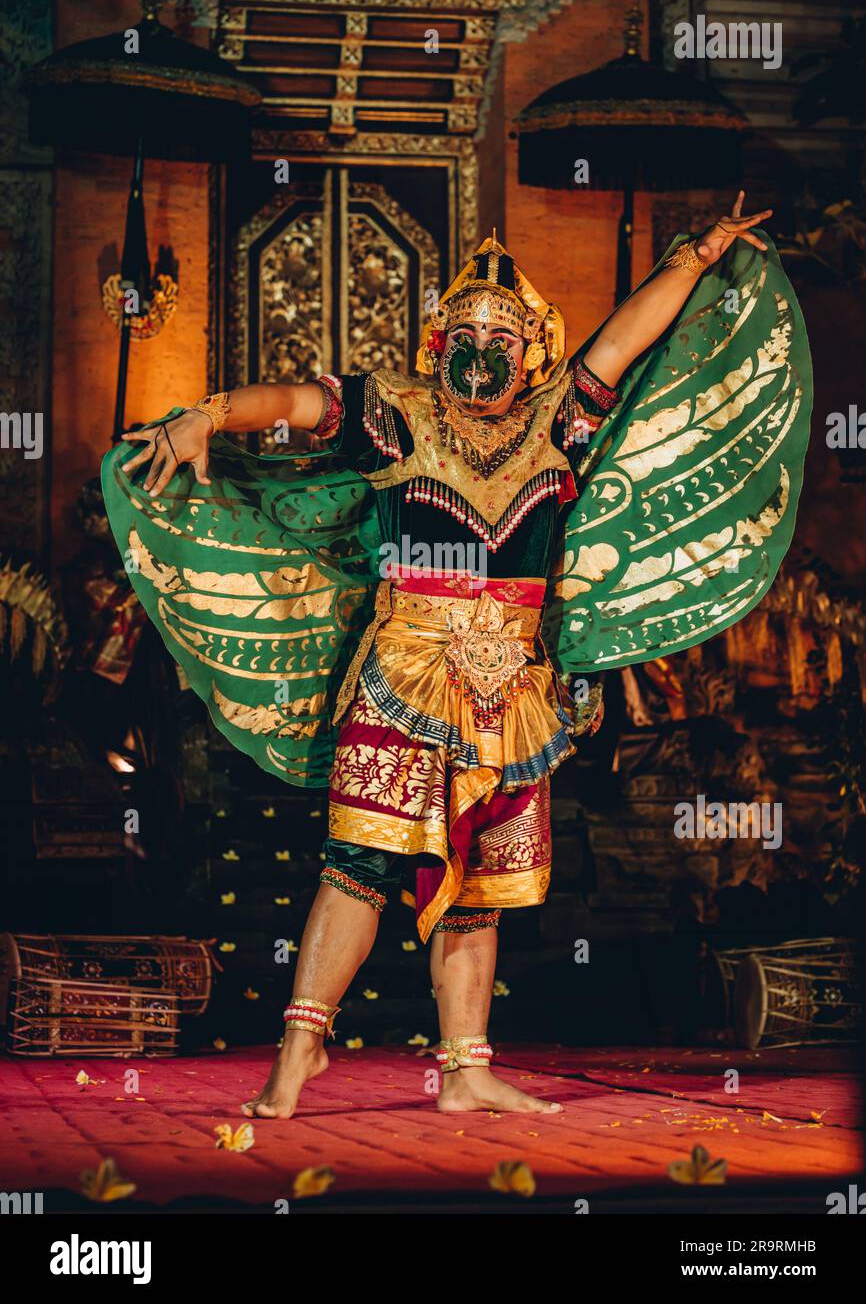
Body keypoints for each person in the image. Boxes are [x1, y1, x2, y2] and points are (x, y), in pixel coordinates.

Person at [103, 193, 811, 1118]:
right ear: (438, 346)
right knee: (359, 860)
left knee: (478, 882)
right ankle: (299, 1049)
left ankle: (466, 1067)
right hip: (403, 669)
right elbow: (297, 401)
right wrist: (210, 413)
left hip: (514, 686)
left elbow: (627, 336)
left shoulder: (563, 417)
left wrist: (699, 252)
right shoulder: (394, 413)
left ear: (532, 350)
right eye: (465, 335)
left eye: (502, 337)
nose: (482, 353)